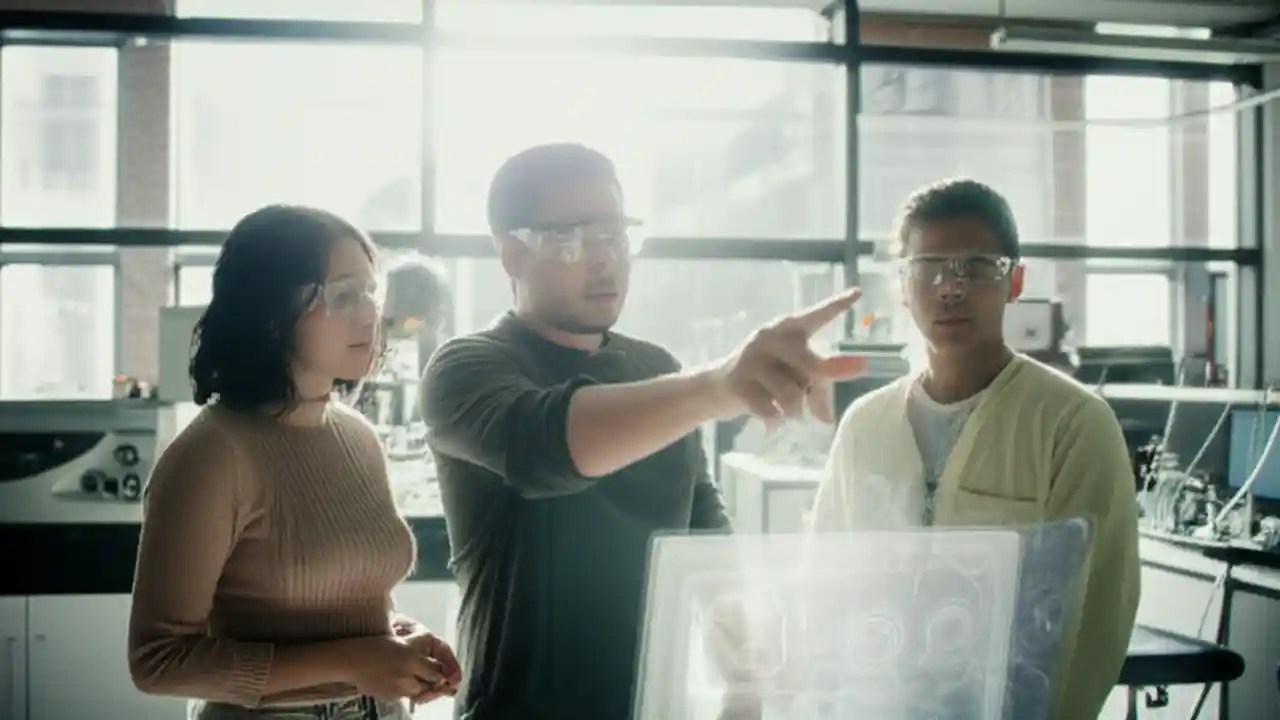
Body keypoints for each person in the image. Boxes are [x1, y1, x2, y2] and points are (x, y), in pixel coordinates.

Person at [420, 143, 866, 719]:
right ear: (511, 254)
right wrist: (716, 387)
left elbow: (701, 521)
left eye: (614, 235)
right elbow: (542, 449)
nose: (602, 258)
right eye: (570, 239)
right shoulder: (466, 368)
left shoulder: (656, 370)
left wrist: (744, 651)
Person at [809, 179, 1140, 719]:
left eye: (978, 267)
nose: (950, 288)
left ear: (1015, 282)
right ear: (902, 284)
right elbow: (824, 584)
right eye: (928, 268)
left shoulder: (1072, 423)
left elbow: (1095, 622)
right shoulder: (865, 425)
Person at [128, 205, 461, 720]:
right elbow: (158, 661)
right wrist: (353, 660)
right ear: (270, 313)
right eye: (344, 295)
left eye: (372, 293)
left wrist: (396, 639)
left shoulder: (358, 437)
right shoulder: (211, 456)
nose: (372, 315)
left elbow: (339, 601)